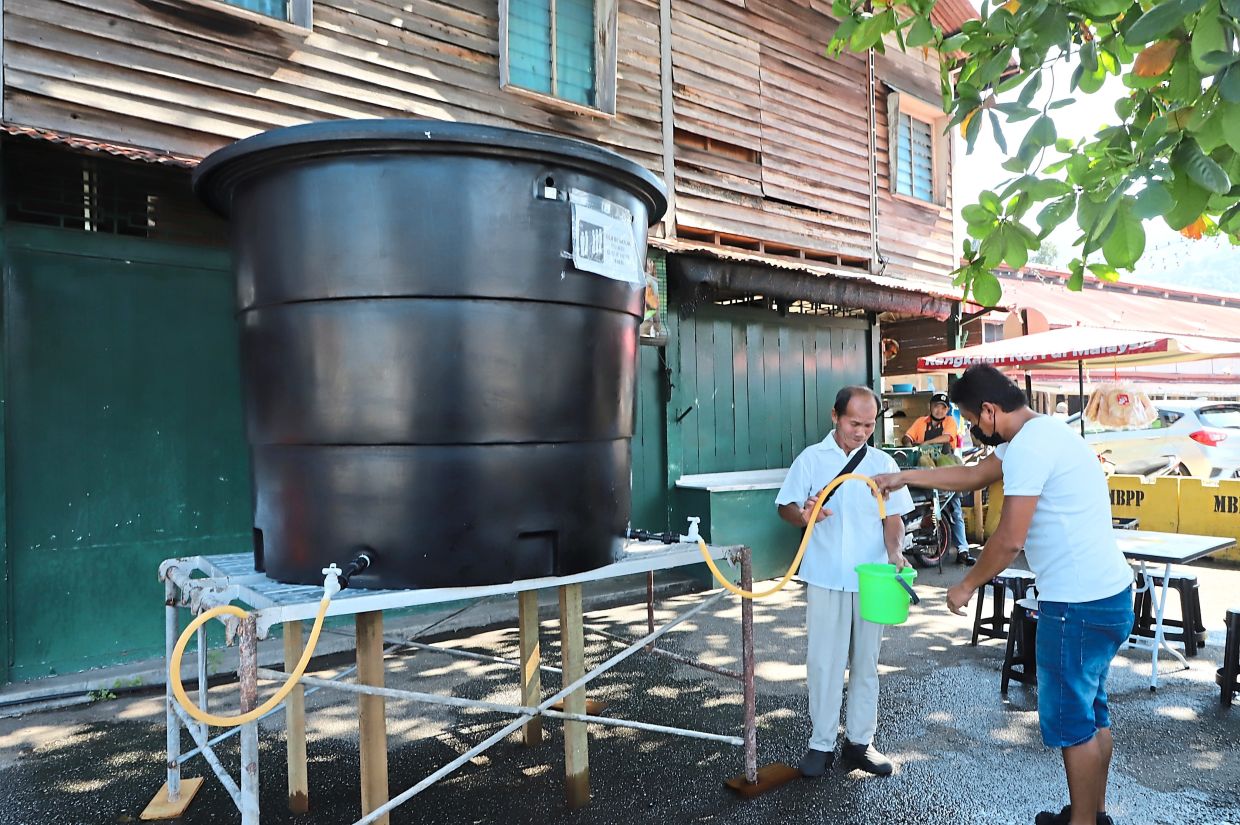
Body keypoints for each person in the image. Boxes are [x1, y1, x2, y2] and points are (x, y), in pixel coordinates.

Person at [872, 365, 1134, 825]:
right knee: (1093, 714)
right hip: (1108, 597)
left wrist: (967, 583)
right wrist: (907, 477)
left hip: (1075, 605)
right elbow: (974, 476)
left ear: (990, 411)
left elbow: (1010, 538)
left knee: (1073, 726)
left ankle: (1082, 822)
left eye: (973, 419)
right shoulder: (1041, 434)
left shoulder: (1030, 447)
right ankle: (1093, 812)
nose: (973, 429)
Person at [775, 386, 915, 779]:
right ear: (834, 416)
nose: (862, 432)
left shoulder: (882, 461)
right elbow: (785, 506)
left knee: (867, 662)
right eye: (855, 423)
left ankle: (859, 743)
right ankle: (821, 744)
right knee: (823, 663)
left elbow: (893, 517)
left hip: (871, 579)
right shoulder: (812, 459)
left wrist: (894, 551)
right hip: (824, 575)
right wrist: (803, 517)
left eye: (869, 424)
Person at [901, 392, 972, 565]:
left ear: (947, 410)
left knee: (955, 509)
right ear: (930, 407)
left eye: (943, 408)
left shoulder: (950, 422)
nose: (939, 410)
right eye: (936, 406)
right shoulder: (920, 422)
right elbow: (907, 437)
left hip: (946, 470)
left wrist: (924, 444)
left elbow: (947, 438)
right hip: (923, 471)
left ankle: (963, 550)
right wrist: (910, 446)